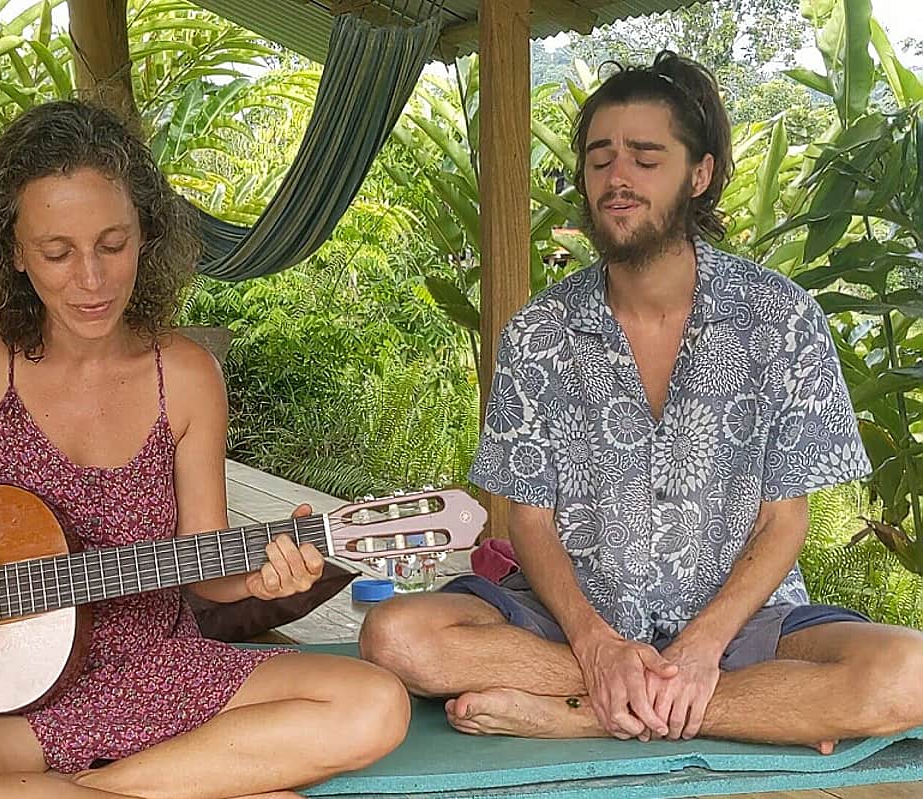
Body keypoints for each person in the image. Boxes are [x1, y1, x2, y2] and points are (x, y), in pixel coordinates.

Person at [0, 99, 409, 799]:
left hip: (154, 668)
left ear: (146, 235)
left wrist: (260, 577)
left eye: (113, 243)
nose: (92, 280)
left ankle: (76, 788)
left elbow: (207, 564)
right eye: (57, 252)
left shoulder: (185, 376)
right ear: (13, 250)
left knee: (374, 704)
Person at [359, 51, 923, 753]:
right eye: (600, 159)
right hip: (573, 619)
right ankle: (702, 704)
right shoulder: (540, 332)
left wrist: (701, 647)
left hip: (742, 625)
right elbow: (528, 518)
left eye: (645, 157)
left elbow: (784, 520)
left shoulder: (781, 318)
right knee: (396, 636)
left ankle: (583, 713)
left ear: (700, 173)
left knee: (911, 673)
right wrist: (596, 647)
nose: (616, 178)